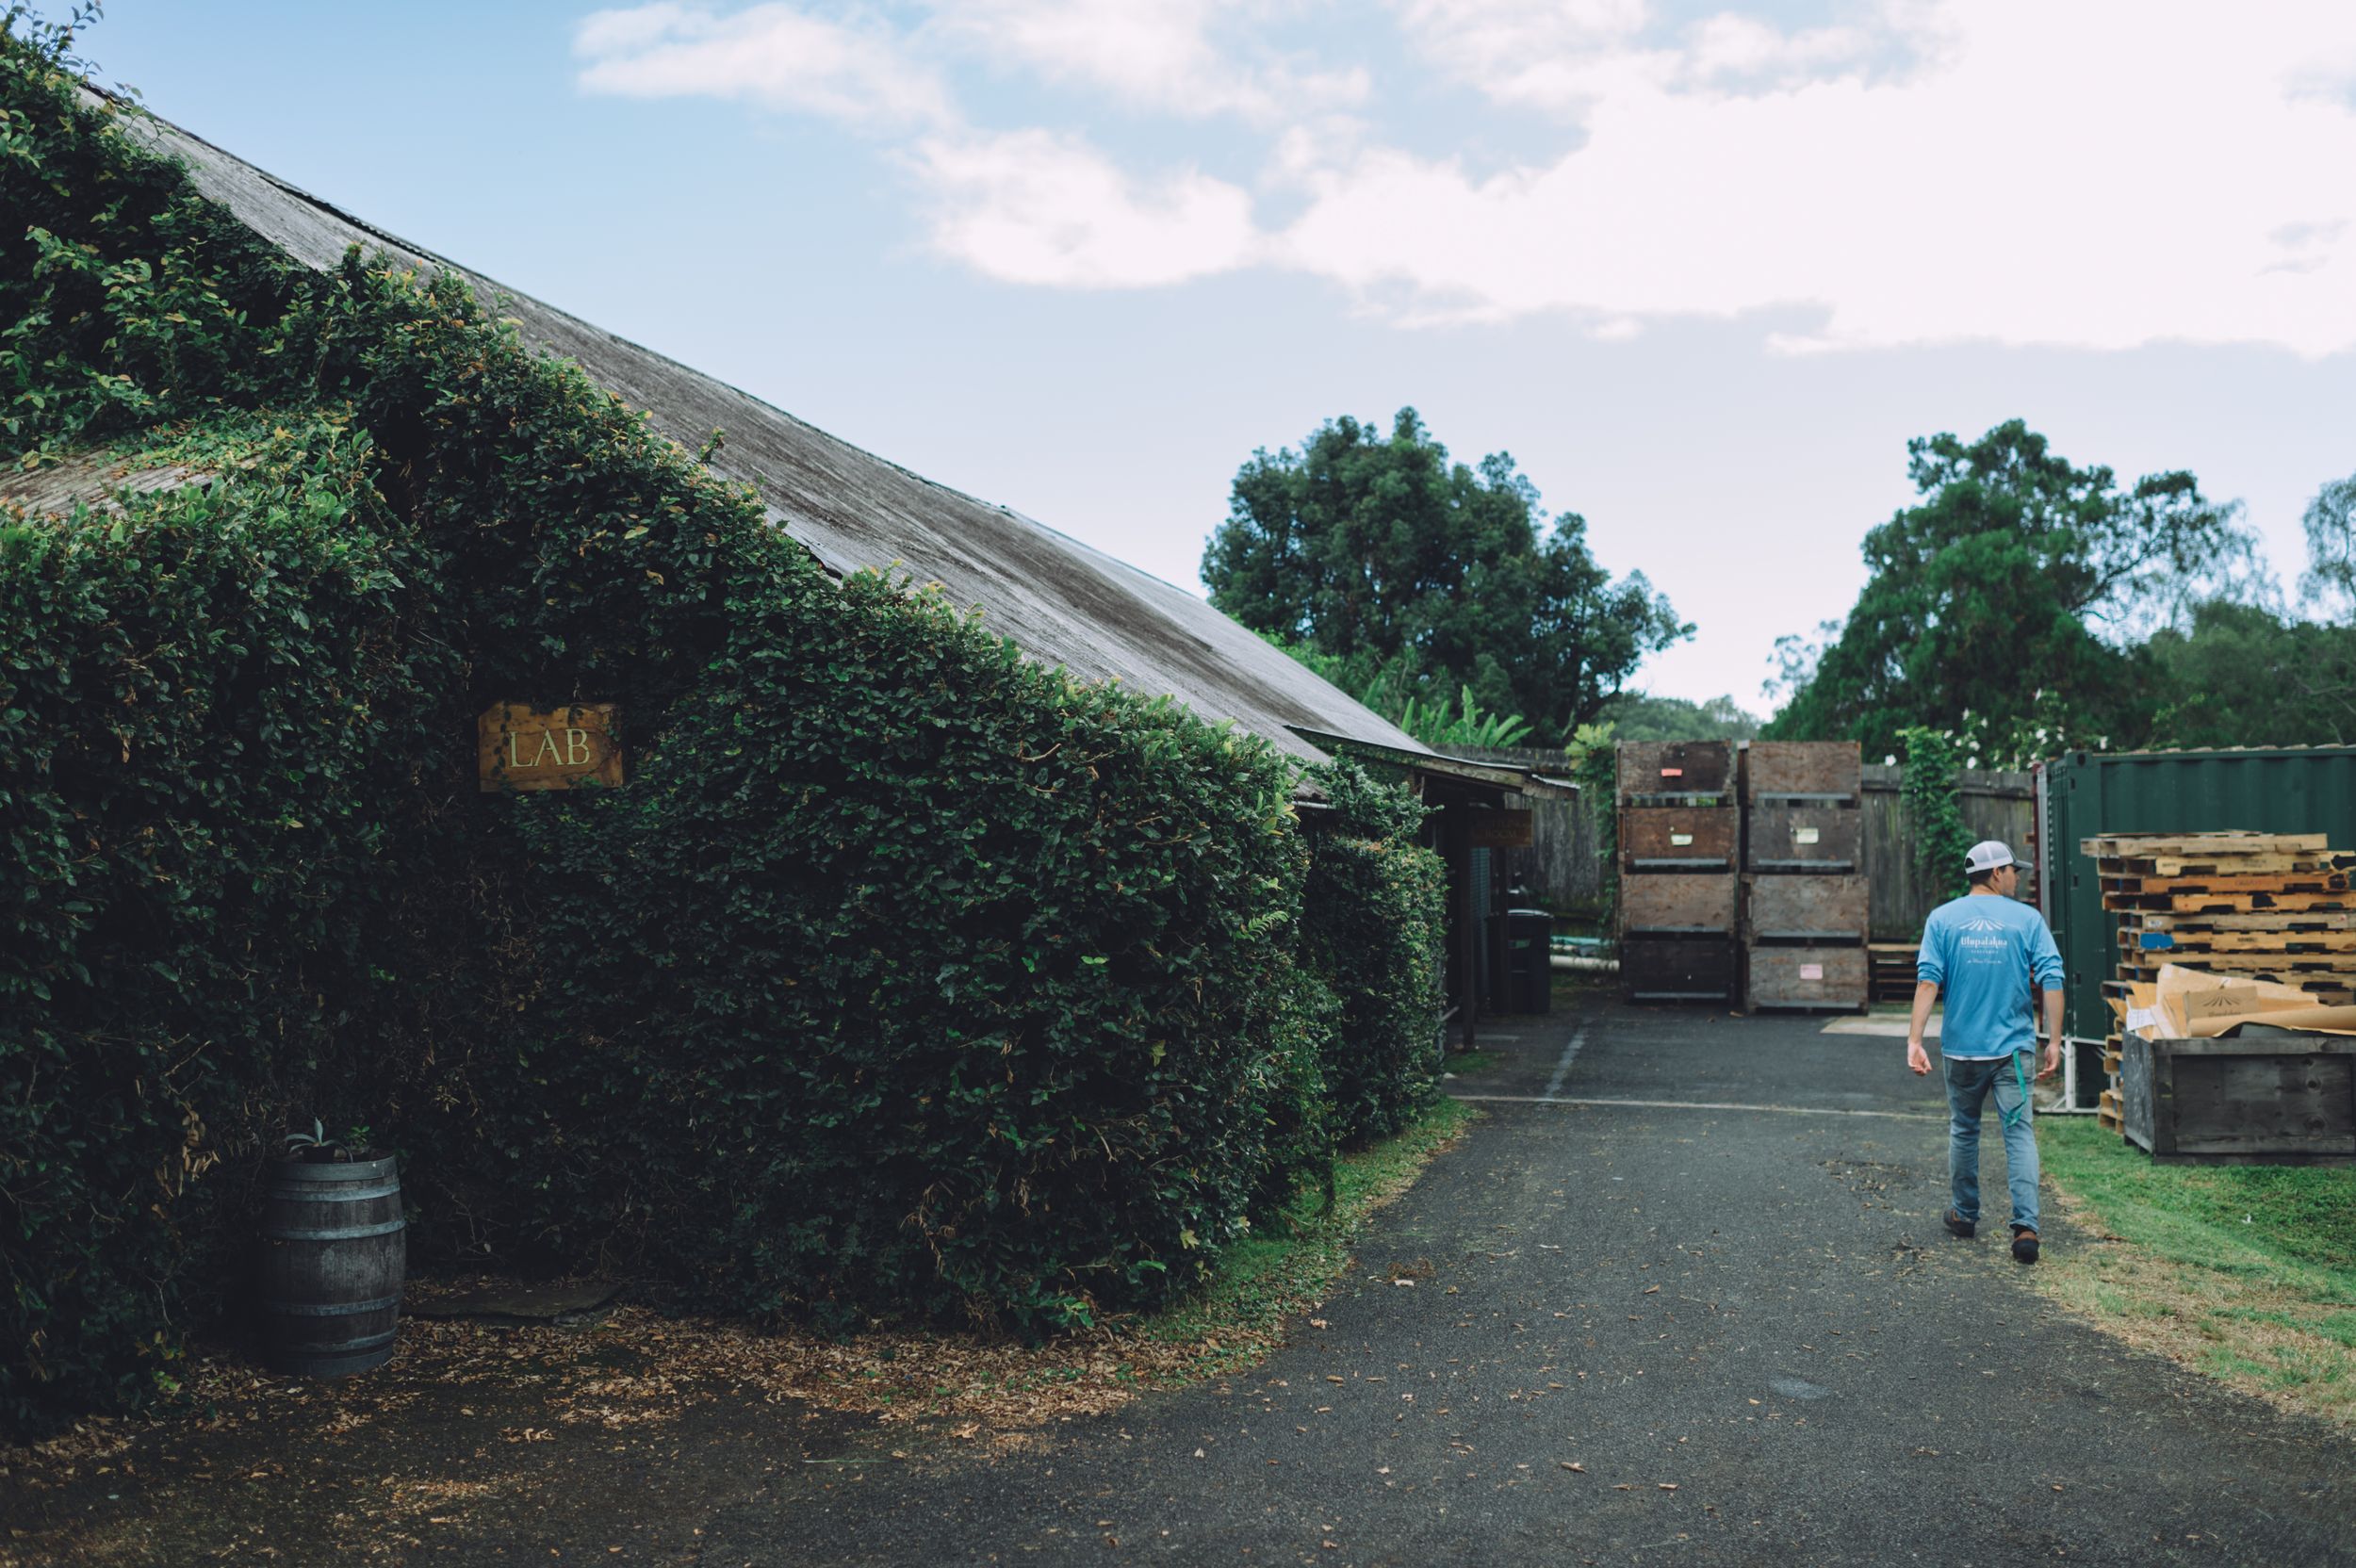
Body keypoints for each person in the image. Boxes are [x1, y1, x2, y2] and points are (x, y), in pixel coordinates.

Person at [1906, 840, 2064, 1264]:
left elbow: (1928, 980)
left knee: (1964, 1129)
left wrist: (1915, 1040)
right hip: (2013, 1052)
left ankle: (1964, 1214)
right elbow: (2052, 977)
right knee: (2019, 1134)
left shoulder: (1942, 919)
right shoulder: (2027, 919)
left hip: (1962, 1052)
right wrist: (2053, 1040)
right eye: (2014, 871)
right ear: (1997, 873)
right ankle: (2026, 1229)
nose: (2017, 879)